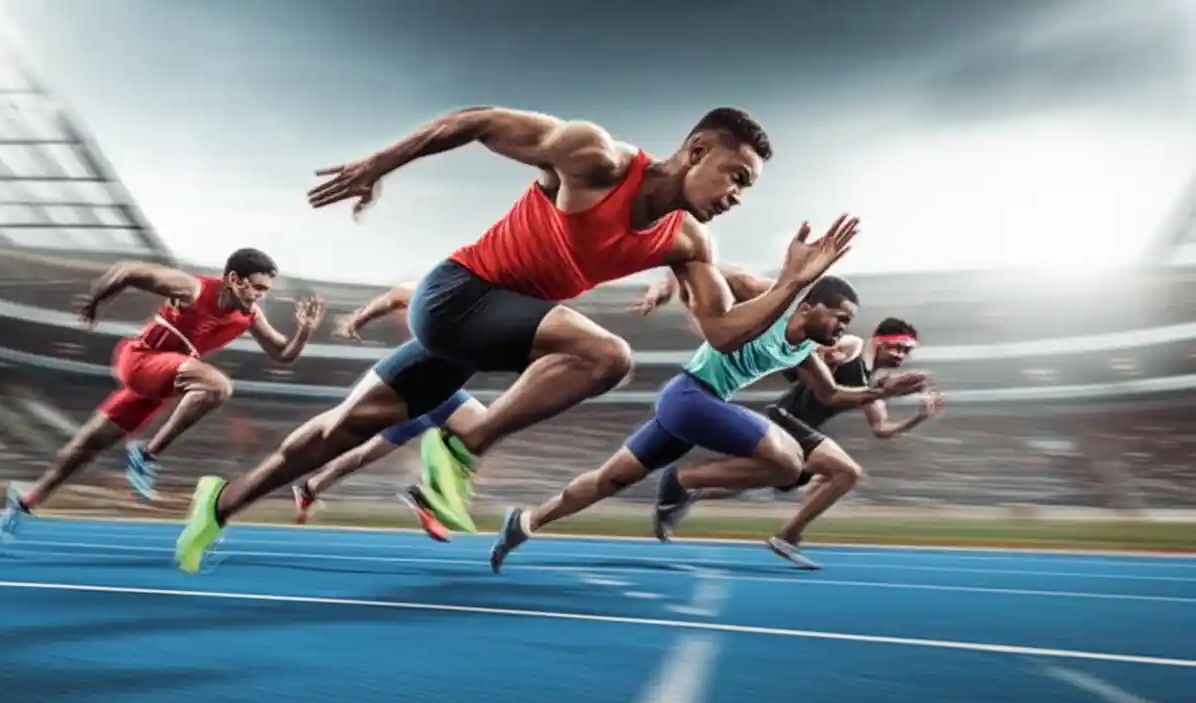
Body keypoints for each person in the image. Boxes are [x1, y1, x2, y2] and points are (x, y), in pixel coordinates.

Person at [174, 104, 858, 574]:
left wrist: (792, 283)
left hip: (485, 331)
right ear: (698, 149)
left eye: (750, 187)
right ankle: (460, 447)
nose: (738, 194)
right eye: (736, 176)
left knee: (345, 429)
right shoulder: (596, 158)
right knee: (606, 354)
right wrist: (382, 162)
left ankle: (219, 505)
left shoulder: (686, 240)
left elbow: (723, 331)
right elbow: (479, 122)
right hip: (455, 296)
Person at [488, 277, 930, 573]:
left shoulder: (803, 352)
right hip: (690, 395)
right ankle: (679, 484)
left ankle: (525, 521)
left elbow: (831, 395)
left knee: (609, 480)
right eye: (841, 318)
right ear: (810, 306)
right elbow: (710, 268)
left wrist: (882, 394)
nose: (843, 329)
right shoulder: (768, 313)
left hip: (689, 409)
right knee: (788, 461)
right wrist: (668, 285)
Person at [0, 248, 324, 540]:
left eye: (266, 290)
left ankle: (25, 501)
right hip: (140, 359)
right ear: (234, 279)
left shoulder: (249, 315)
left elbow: (283, 354)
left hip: (160, 382)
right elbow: (129, 271)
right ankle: (147, 455)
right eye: (257, 287)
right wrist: (95, 302)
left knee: (86, 445)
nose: (260, 296)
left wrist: (304, 332)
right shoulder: (193, 289)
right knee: (217, 386)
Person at [653, 317, 945, 569]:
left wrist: (918, 417)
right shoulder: (854, 346)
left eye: (906, 351)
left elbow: (881, 428)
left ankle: (685, 489)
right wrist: (826, 355)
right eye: (896, 346)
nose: (900, 354)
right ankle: (787, 536)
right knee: (847, 473)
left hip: (801, 432)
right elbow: (818, 352)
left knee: (743, 484)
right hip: (786, 420)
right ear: (879, 341)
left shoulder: (872, 383)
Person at [292, 283, 488, 541]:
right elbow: (398, 297)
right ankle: (428, 498)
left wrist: (359, 320)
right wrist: (358, 319)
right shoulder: (458, 301)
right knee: (486, 429)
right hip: (429, 385)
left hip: (428, 392)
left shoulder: (494, 312)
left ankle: (310, 488)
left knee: (366, 454)